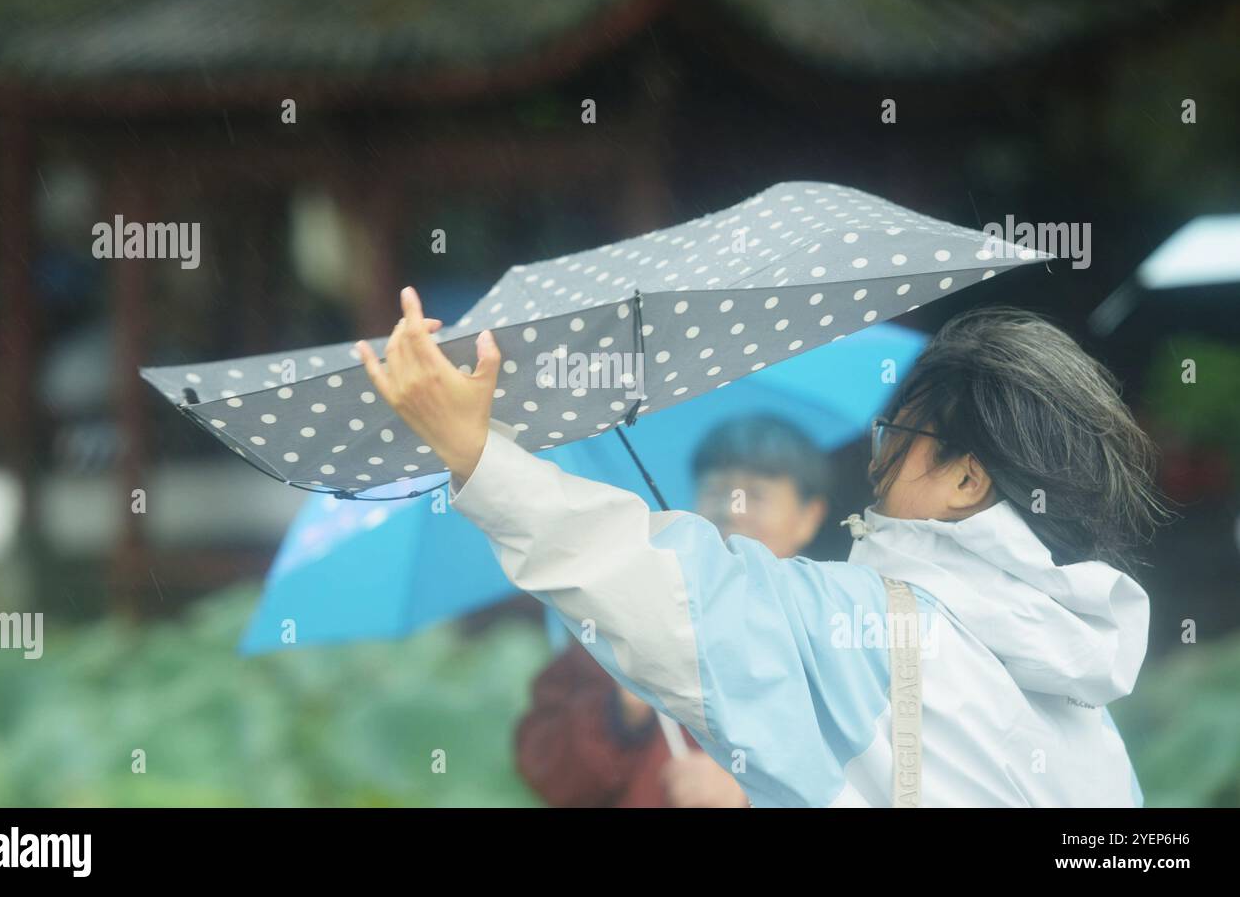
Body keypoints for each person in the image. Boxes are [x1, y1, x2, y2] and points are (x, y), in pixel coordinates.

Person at [358, 291, 1163, 807]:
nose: (877, 458)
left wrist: (477, 452)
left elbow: (657, 590)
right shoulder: (1089, 711)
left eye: (899, 433)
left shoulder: (865, 629)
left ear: (964, 480)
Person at [515, 415, 831, 807]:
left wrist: (749, 795)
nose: (731, 510)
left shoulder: (834, 632)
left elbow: (879, 770)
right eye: (716, 491)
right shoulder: (623, 617)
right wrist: (620, 713)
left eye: (757, 495)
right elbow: (548, 773)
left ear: (809, 516)